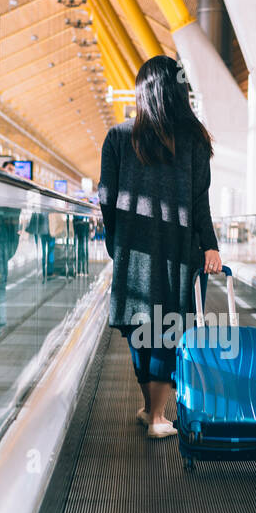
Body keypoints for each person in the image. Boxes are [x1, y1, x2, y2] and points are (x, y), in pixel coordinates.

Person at [98, 55, 222, 439]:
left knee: (141, 329)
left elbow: (106, 196)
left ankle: (152, 411)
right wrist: (210, 246)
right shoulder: (194, 141)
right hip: (181, 251)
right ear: (179, 92)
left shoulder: (118, 137)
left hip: (135, 250)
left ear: (141, 92)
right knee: (170, 329)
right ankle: (156, 415)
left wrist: (117, 242)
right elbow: (200, 200)